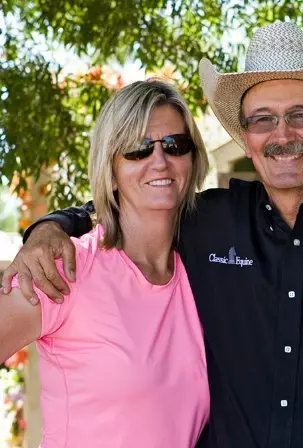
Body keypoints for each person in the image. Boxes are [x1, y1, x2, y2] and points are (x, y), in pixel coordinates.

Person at [3, 22, 303, 448]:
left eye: (302, 115)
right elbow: (129, 204)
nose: (283, 134)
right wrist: (50, 226)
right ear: (246, 138)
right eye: (263, 120)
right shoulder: (208, 223)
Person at [0, 80, 210, 447]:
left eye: (175, 145)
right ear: (110, 168)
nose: (159, 160)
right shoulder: (64, 269)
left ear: (192, 160)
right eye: (137, 150)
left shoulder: (203, 274)